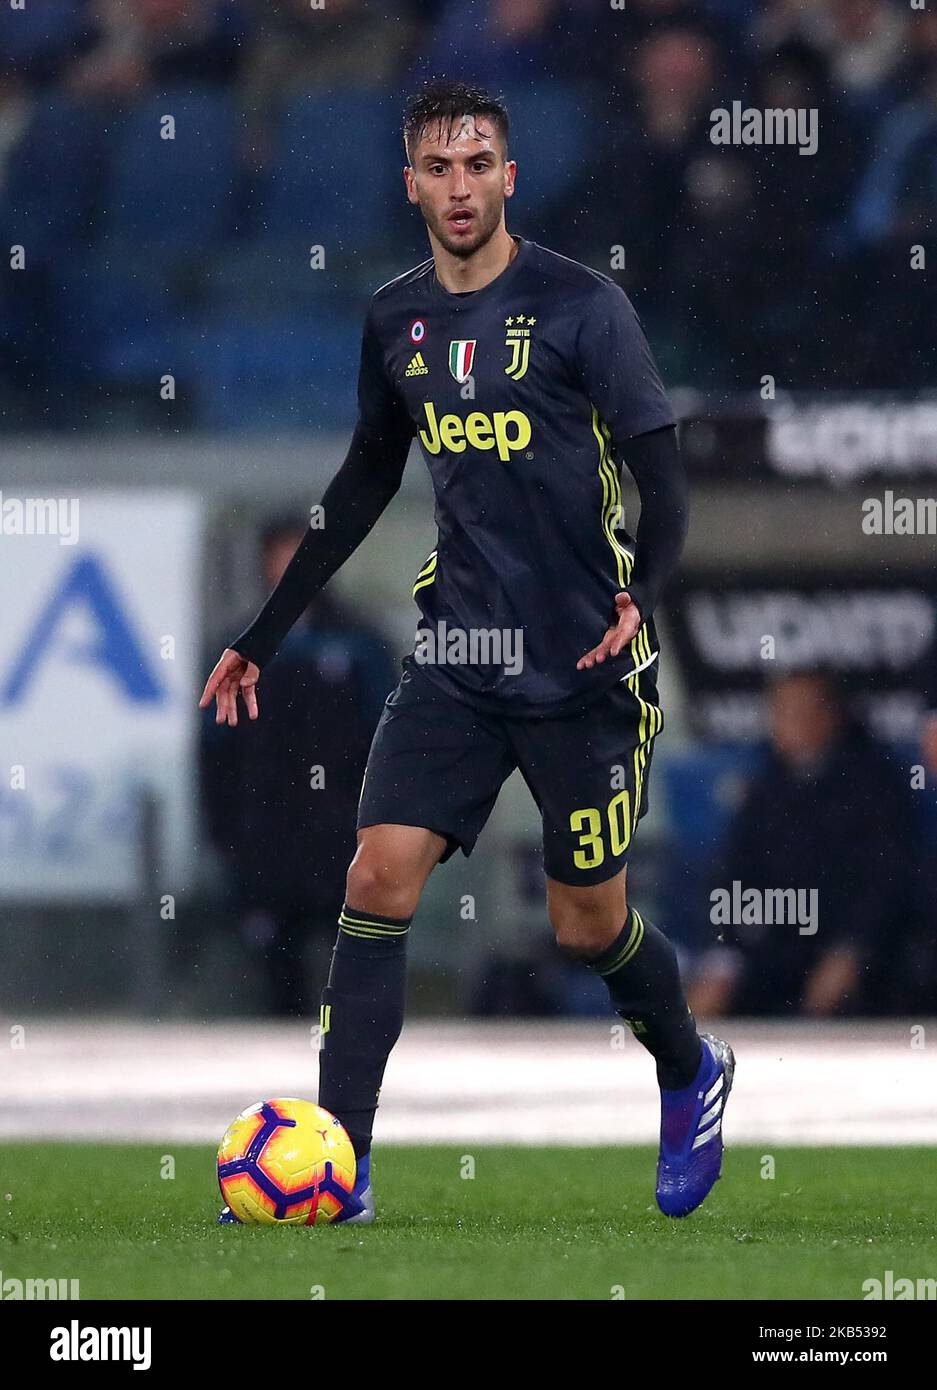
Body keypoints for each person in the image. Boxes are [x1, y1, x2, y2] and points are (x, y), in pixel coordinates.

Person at [200, 79, 732, 1224]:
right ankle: (341, 1162)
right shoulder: (395, 317)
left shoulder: (584, 308)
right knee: (375, 874)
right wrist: (264, 632)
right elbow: (361, 482)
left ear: (506, 177)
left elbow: (665, 477)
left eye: (476, 164)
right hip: (457, 656)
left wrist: (640, 589)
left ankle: (689, 1069)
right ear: (411, 183)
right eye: (437, 168)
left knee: (586, 922)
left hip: (584, 665)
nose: (457, 186)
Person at [201, 515, 395, 1016]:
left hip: (342, 825)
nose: (292, 566)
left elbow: (388, 734)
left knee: (348, 951)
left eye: (303, 552)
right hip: (267, 827)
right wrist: (223, 829)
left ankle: (346, 1060)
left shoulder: (361, 642)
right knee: (275, 957)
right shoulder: (238, 646)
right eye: (282, 553)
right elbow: (216, 748)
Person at [688, 669, 920, 1017]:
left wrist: (852, 949)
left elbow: (886, 883)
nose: (788, 723)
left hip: (852, 950)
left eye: (802, 711)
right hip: (774, 946)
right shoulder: (766, 785)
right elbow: (735, 874)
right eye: (780, 712)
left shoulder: (874, 784)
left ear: (831, 714)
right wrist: (725, 958)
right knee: (700, 1001)